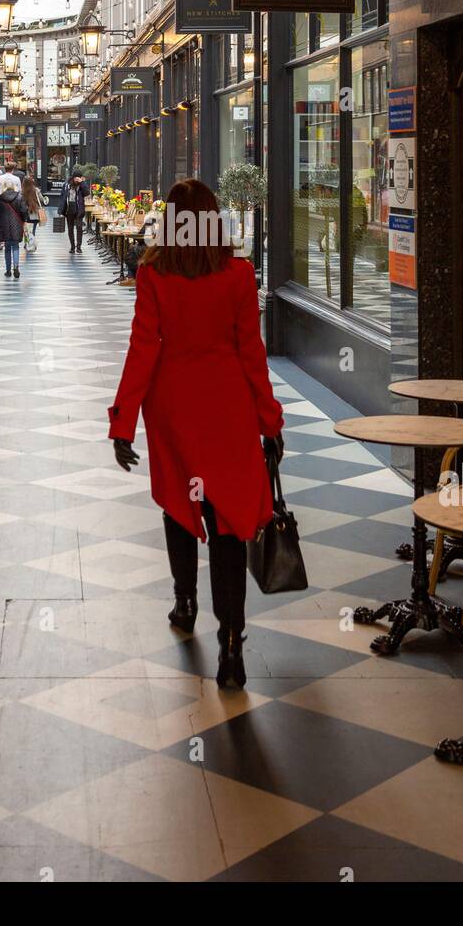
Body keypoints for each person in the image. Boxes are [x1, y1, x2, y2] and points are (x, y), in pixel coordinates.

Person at [107, 178, 284, 690]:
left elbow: (144, 348)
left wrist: (124, 422)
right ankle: (232, 642)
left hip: (174, 409)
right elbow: (253, 354)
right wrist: (269, 420)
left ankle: (185, 602)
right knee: (229, 524)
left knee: (181, 508)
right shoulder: (238, 274)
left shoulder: (154, 273)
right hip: (228, 409)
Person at [0, 179, 28, 279]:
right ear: (14, 187)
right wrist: (24, 220)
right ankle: (16, 267)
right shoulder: (19, 197)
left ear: (4, 187)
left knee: (7, 248)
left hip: (4, 226)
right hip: (16, 225)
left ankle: (8, 270)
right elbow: (24, 210)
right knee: (16, 246)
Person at [58, 169, 89, 254]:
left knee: (79, 228)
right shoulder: (66, 185)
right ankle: (72, 246)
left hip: (79, 209)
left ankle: (78, 247)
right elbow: (62, 197)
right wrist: (60, 210)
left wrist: (82, 182)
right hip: (69, 209)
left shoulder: (82, 185)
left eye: (78, 177)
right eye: (76, 177)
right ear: (73, 177)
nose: (77, 179)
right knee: (70, 228)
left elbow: (87, 193)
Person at [22, 173, 46, 246]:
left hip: (25, 213)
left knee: (26, 230)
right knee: (33, 230)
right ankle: (31, 243)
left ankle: (26, 243)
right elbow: (42, 200)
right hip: (34, 212)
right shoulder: (36, 190)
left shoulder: (22, 191)